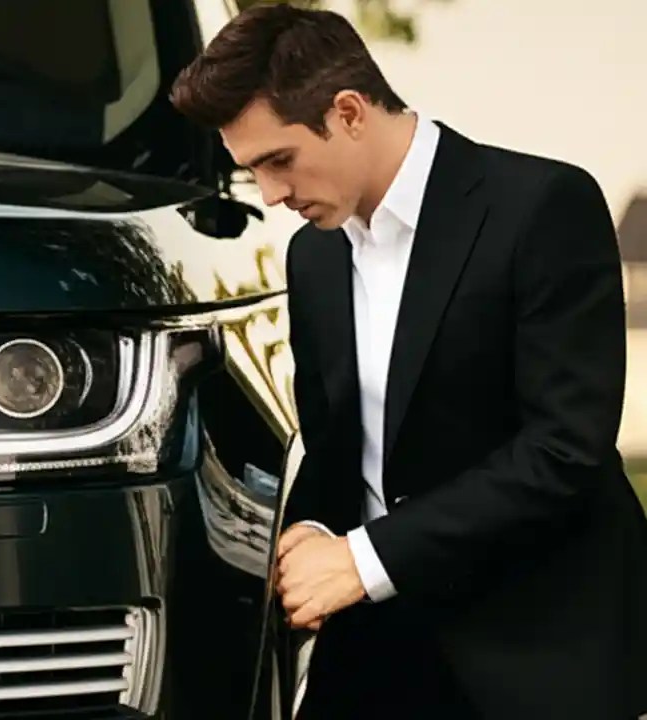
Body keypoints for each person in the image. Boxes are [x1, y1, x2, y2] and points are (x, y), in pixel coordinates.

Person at [170, 5, 647, 719]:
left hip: (538, 651)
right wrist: (304, 534)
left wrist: (363, 561)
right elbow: (338, 443)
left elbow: (563, 451)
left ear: (350, 112)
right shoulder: (313, 255)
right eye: (252, 170)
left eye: (278, 160)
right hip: (375, 658)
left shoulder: (542, 205)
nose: (270, 195)